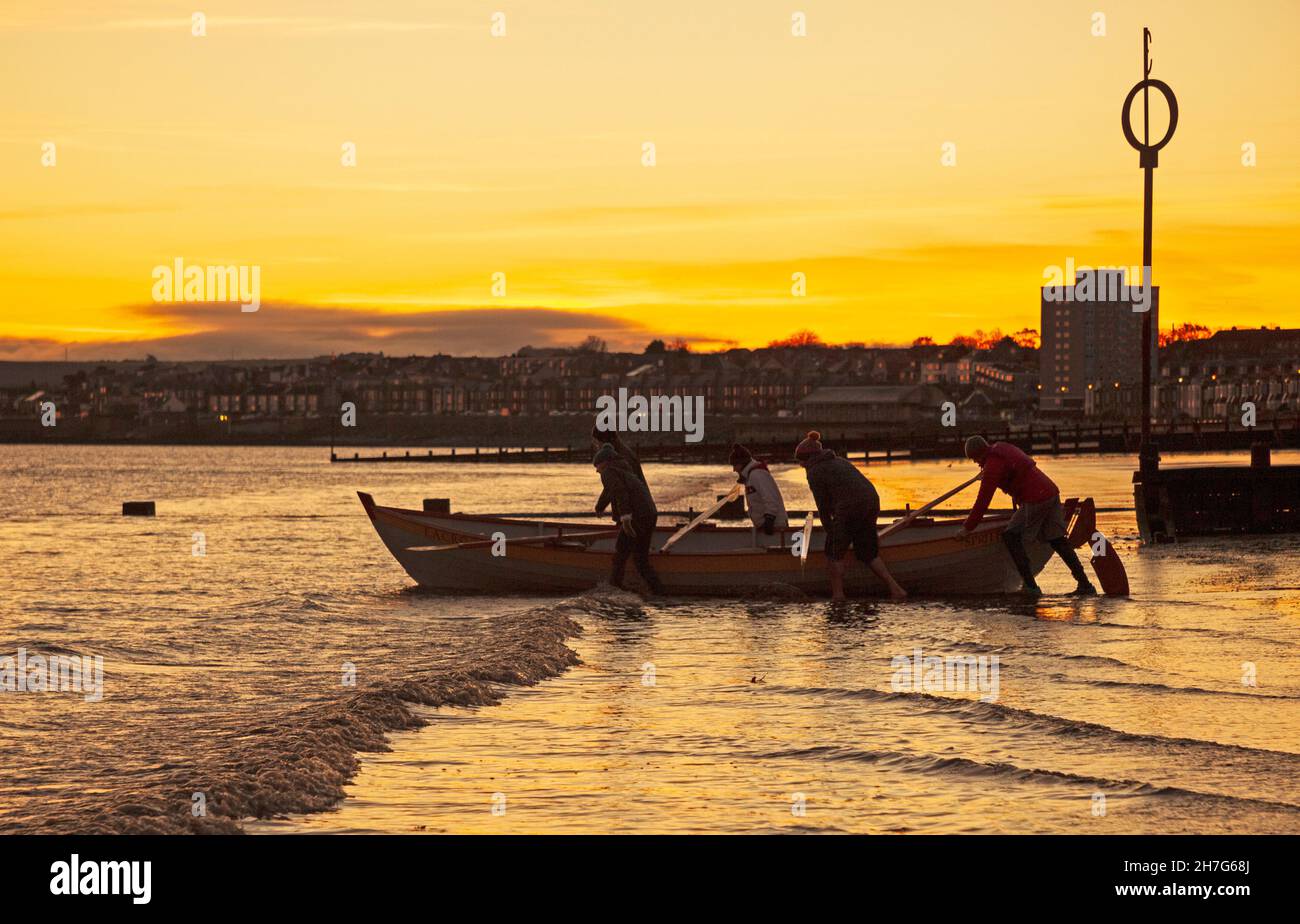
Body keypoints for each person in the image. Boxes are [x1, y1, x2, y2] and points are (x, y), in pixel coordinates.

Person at [958, 435, 1096, 596]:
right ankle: (1085, 585)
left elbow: (983, 502)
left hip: (1035, 498)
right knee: (1057, 540)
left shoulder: (993, 466)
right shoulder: (1001, 449)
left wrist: (967, 528)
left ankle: (1030, 586)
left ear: (979, 453)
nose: (976, 463)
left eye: (974, 459)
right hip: (1050, 493)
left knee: (1011, 536)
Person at [795, 431, 907, 601]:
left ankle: (838, 595)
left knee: (833, 552)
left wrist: (830, 531)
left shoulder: (815, 471)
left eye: (801, 462)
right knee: (868, 551)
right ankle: (896, 589)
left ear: (807, 459)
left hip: (850, 507)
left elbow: (823, 506)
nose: (801, 466)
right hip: (871, 501)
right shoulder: (839, 461)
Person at [593, 442, 664, 594]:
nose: (597, 472)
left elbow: (620, 493)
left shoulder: (608, 472)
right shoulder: (623, 468)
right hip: (650, 514)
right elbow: (610, 491)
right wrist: (600, 507)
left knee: (620, 552)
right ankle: (659, 591)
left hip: (637, 517)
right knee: (640, 559)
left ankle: (615, 586)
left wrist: (625, 519)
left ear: (604, 463)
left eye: (597, 467)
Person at [729, 443, 788, 538]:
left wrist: (769, 519)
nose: (734, 469)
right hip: (764, 526)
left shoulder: (757, 475)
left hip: (774, 527)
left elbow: (770, 498)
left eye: (735, 465)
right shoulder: (750, 477)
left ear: (742, 463)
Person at [593, 425, 647, 517]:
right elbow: (612, 487)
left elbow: (618, 489)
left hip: (634, 514)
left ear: (604, 441)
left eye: (597, 443)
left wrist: (625, 516)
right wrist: (600, 507)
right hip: (638, 511)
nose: (597, 447)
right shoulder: (621, 454)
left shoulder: (617, 458)